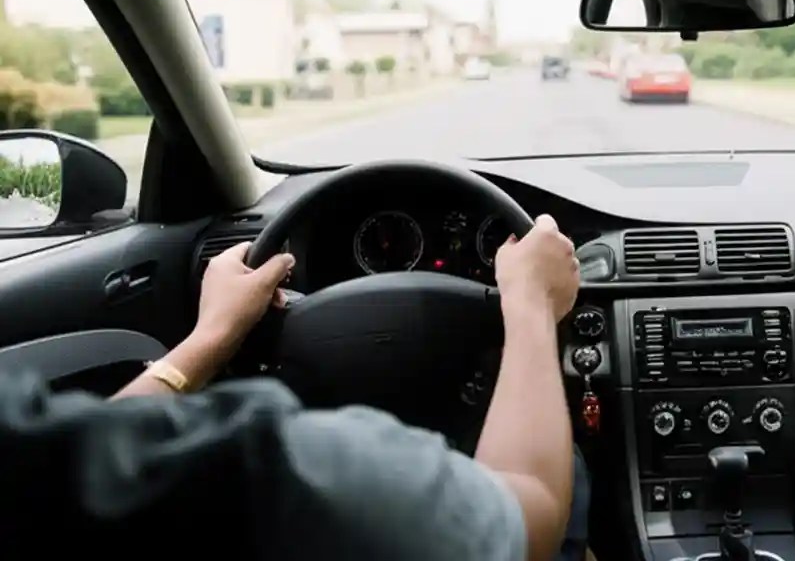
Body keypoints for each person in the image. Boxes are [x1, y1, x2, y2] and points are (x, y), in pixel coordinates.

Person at [0, 214, 587, 561]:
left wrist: (213, 335)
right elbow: (531, 505)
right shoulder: (285, 481)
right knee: (575, 472)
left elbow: (106, 458)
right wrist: (531, 303)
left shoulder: (47, 486)